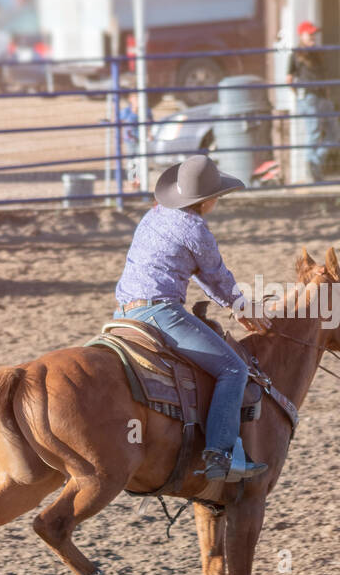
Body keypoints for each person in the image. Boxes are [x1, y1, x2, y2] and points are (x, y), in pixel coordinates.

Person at [114, 154, 272, 483]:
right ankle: (220, 454)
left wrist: (234, 304)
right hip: (158, 313)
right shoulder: (196, 229)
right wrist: (242, 306)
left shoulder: (155, 215)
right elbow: (216, 275)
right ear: (208, 200)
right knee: (233, 368)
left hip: (123, 312)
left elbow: (201, 273)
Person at [287, 20, 333, 182]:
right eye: (310, 33)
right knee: (313, 131)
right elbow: (289, 78)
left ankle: (314, 162)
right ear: (302, 35)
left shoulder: (319, 53)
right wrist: (300, 95)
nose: (313, 36)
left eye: (314, 33)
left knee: (333, 134)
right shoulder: (296, 54)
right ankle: (312, 165)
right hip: (309, 96)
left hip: (322, 96)